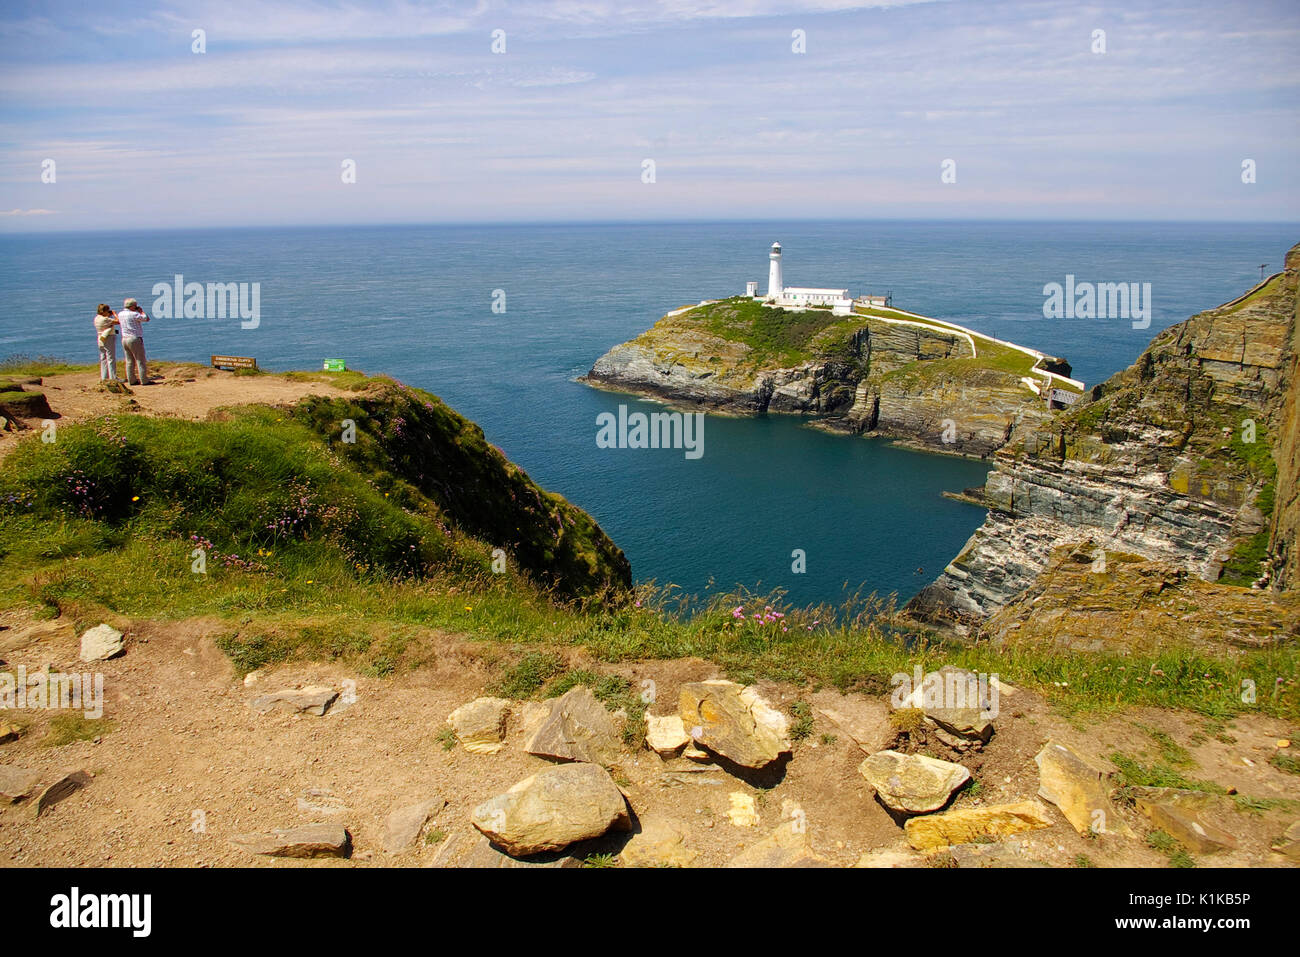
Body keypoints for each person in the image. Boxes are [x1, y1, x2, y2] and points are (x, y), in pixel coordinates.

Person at [118, 297, 151, 385]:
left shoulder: (120, 314)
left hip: (124, 339)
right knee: (140, 360)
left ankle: (131, 380)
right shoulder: (134, 314)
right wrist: (141, 311)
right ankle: (144, 380)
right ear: (132, 306)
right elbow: (146, 318)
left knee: (129, 361)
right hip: (134, 338)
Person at [93, 304, 119, 381]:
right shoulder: (105, 319)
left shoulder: (97, 318)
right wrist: (114, 314)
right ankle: (113, 378)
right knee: (111, 358)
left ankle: (104, 377)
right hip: (108, 338)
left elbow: (107, 321)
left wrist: (108, 315)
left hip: (100, 338)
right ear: (104, 311)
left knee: (103, 358)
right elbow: (118, 321)